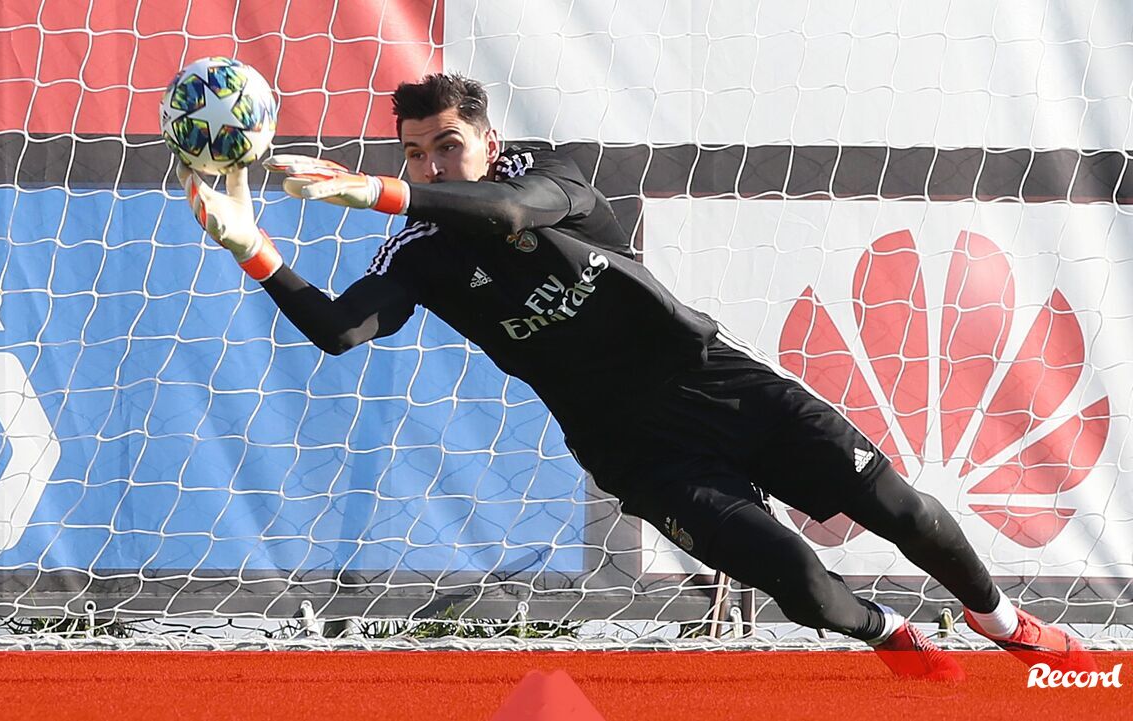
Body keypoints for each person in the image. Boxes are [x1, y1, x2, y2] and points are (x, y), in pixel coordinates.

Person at [176, 73, 1096, 680]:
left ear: (489, 140)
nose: (429, 163)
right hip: (634, 449)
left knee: (902, 507)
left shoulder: (547, 175)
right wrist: (252, 247)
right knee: (800, 582)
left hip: (718, 381)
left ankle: (1001, 619)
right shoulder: (418, 250)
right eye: (413, 153)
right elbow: (340, 330)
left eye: (447, 144)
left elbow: (509, 213)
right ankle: (889, 632)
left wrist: (371, 188)